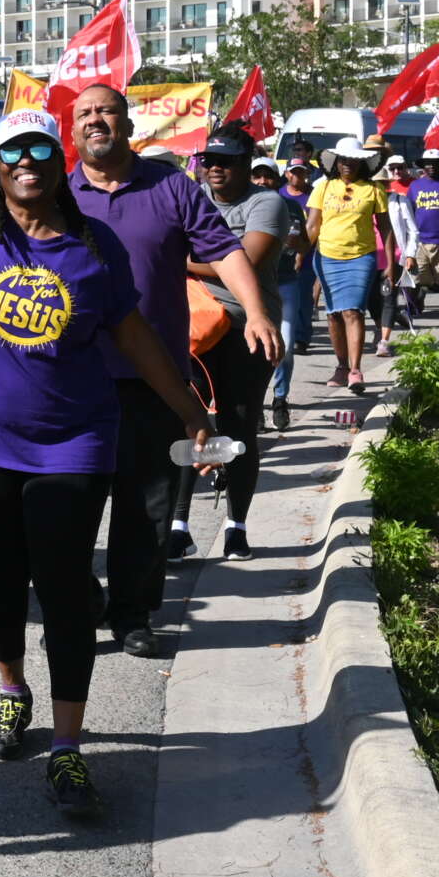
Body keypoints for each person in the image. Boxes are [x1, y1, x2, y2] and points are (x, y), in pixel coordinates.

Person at [0, 31, 215, 814]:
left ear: (56, 160)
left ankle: (68, 746)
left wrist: (195, 417)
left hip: (76, 441)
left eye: (38, 150)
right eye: (11, 155)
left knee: (64, 587)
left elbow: (138, 339)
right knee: (3, 581)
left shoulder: (93, 247)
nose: (26, 163)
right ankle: (10, 687)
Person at [64, 83, 275, 656]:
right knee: (71, 506)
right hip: (72, 381)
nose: (95, 121)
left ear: (128, 124)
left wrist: (254, 311)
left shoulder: (172, 187)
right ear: (72, 128)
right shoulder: (58, 193)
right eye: (84, 113)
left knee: (147, 506)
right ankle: (79, 603)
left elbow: (227, 252)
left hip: (155, 380)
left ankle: (133, 614)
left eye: (106, 111)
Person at [186, 125, 289, 559]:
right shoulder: (191, 200)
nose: (214, 169)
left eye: (225, 161)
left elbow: (245, 261)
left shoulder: (268, 204)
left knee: (238, 424)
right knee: (187, 424)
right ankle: (177, 526)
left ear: (248, 163)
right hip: (193, 324)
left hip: (248, 326)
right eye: (208, 160)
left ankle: (236, 525)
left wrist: (184, 259)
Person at [304, 138, 390, 392]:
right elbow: (312, 225)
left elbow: (385, 227)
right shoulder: (323, 187)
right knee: (333, 315)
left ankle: (355, 370)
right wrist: (299, 252)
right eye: (343, 160)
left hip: (361, 257)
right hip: (327, 257)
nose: (347, 164)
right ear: (336, 163)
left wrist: (391, 265)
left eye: (353, 160)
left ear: (362, 162)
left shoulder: (373, 189)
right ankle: (341, 366)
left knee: (353, 311)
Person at [270, 160, 317, 428]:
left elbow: (304, 243)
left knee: (285, 347)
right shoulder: (242, 206)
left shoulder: (290, 207)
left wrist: (295, 246)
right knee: (250, 351)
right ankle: (253, 406)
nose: (263, 181)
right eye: (258, 177)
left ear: (277, 179)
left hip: (286, 282)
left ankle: (280, 399)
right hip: (252, 286)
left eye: (267, 177)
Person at [407, 150, 439, 325]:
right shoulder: (415, 186)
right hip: (420, 240)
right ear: (423, 166)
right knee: (416, 277)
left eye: (434, 163)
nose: (430, 166)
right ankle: (412, 308)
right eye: (427, 163)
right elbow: (410, 212)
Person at [380, 151, 418, 335]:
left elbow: (412, 225)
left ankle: (384, 337)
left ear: (406, 168)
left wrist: (410, 252)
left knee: (401, 288)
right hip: (374, 251)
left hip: (400, 246)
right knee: (380, 296)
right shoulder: (381, 191)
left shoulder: (412, 186)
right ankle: (392, 316)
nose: (396, 171)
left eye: (400, 167)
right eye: (392, 168)